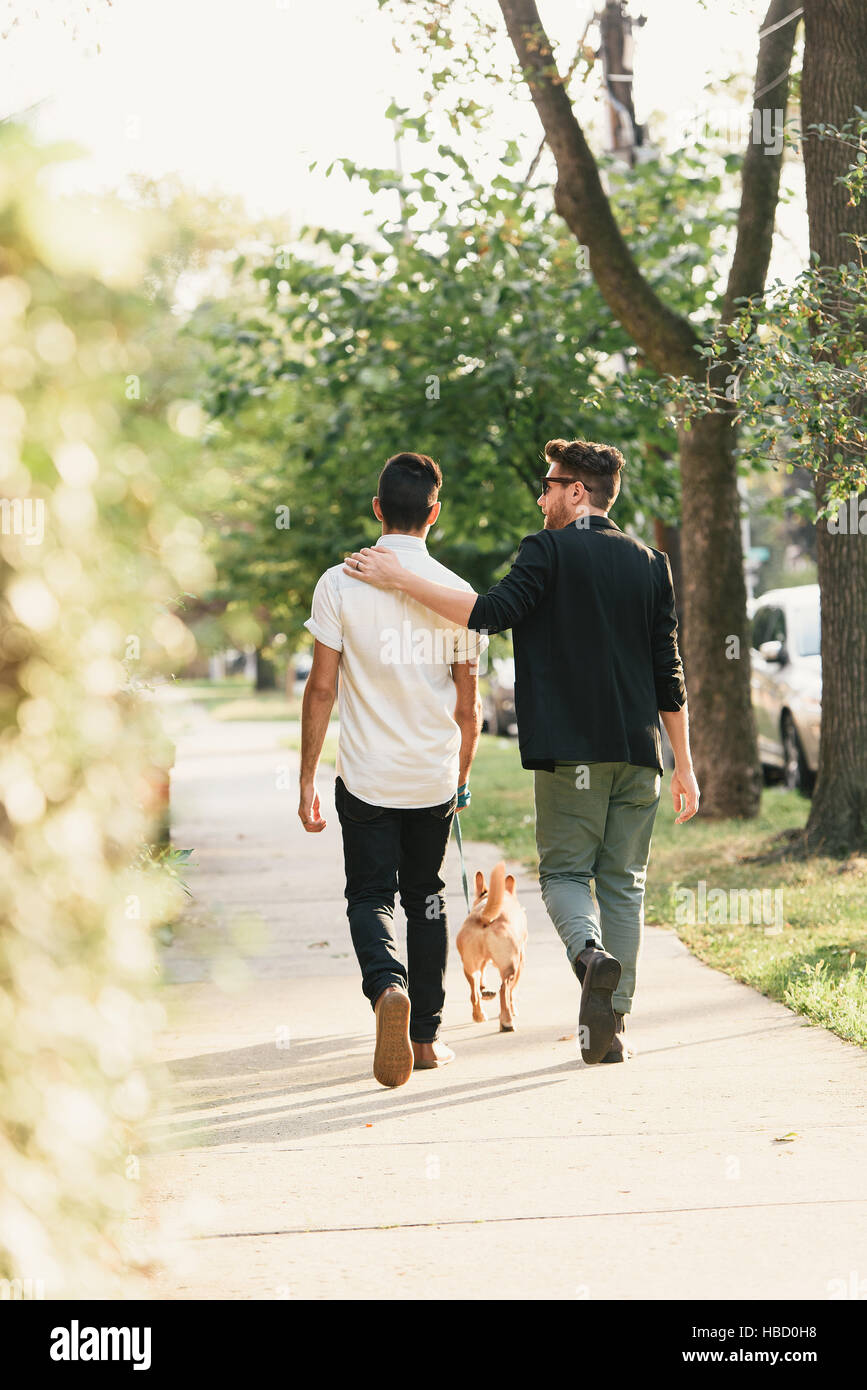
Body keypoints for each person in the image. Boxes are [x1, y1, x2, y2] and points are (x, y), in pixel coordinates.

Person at [343, 438, 700, 1066]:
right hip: (640, 756)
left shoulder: (547, 551)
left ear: (577, 492)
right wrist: (686, 767)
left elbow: (487, 613)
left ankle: (590, 959)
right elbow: (668, 672)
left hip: (571, 757)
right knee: (625, 885)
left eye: (549, 485)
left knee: (565, 875)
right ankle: (610, 1028)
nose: (541, 498)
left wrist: (401, 576)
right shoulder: (651, 562)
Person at [299, 452, 485, 1088]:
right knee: (426, 896)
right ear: (434, 512)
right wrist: (462, 773)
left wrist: (305, 780)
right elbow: (469, 704)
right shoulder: (458, 594)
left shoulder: (338, 583)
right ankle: (426, 1039)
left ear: (378, 509)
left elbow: (321, 690)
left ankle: (386, 989)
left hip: (368, 777)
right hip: (431, 775)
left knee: (370, 895)